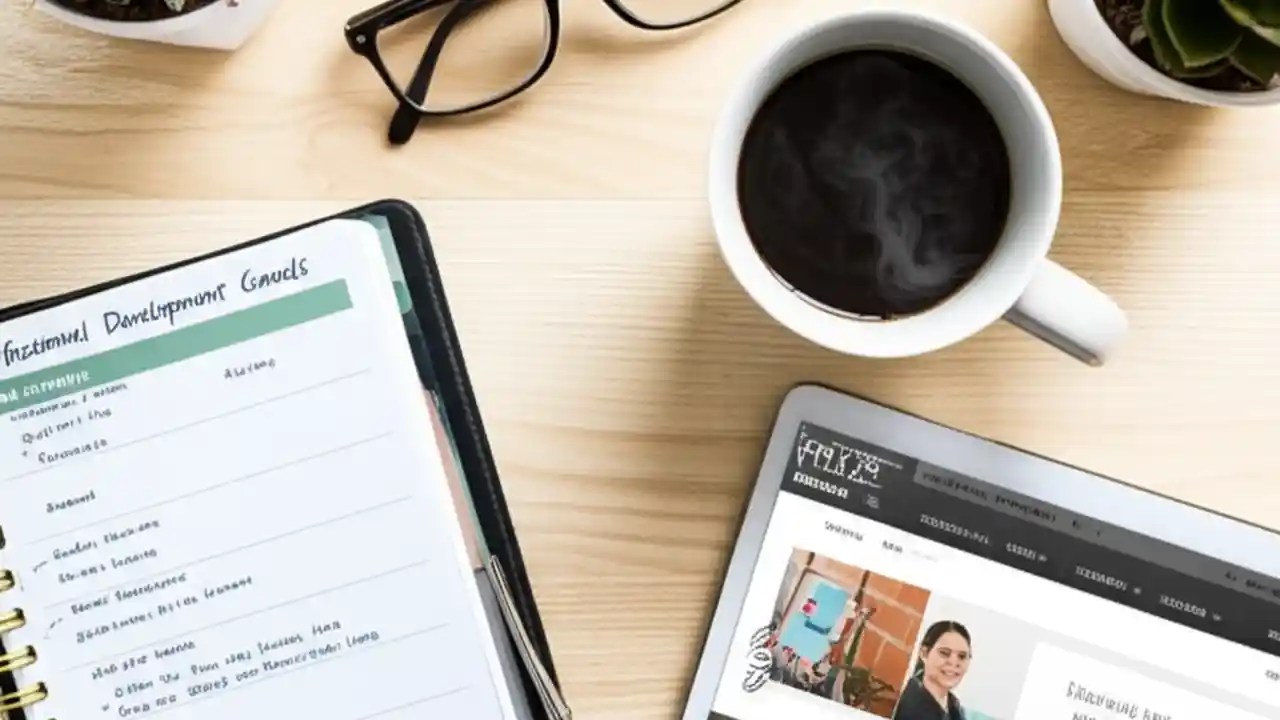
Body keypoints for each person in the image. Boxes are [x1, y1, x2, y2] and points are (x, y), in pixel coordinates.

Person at [892, 621, 972, 720]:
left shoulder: (954, 706)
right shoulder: (911, 708)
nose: (953, 662)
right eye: (944, 653)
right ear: (924, 653)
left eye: (962, 656)